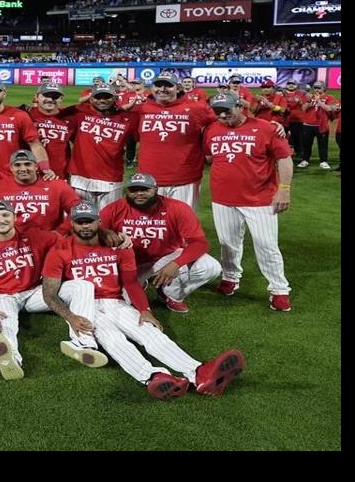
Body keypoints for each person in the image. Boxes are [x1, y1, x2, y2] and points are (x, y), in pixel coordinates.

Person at [43, 201, 245, 401]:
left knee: (150, 333)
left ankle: (199, 372)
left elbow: (131, 283)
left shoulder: (120, 246)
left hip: (116, 302)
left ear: (99, 222)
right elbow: (50, 294)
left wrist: (144, 309)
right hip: (87, 306)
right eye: (80, 222)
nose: (85, 226)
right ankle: (152, 377)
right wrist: (70, 317)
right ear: (72, 224)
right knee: (114, 340)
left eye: (89, 221)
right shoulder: (59, 250)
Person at [0, 200, 107, 380]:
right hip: (3, 296)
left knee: (83, 286)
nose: (1, 220)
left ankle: (84, 343)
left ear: (14, 217)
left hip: (35, 291)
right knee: (7, 326)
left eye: (5, 215)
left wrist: (105, 235)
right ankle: (10, 360)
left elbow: (69, 242)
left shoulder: (34, 235)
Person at [203, 93, 294, 312]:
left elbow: (284, 158)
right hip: (223, 198)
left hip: (259, 199)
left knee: (266, 245)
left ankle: (279, 289)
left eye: (227, 110)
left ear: (240, 106)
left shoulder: (266, 128)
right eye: (217, 111)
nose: (222, 115)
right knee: (228, 243)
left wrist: (284, 189)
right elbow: (209, 157)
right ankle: (230, 277)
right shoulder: (212, 129)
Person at [99, 172, 221, 313]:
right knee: (120, 302)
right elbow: (92, 237)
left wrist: (175, 264)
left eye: (145, 189)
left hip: (165, 257)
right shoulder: (114, 209)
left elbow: (199, 243)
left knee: (210, 267)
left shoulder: (177, 208)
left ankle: (170, 293)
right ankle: (140, 282)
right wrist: (104, 233)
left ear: (156, 189)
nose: (139, 194)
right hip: (129, 264)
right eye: (133, 190)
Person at [131, 72, 215, 207]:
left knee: (183, 219)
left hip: (185, 178)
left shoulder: (196, 108)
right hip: (148, 179)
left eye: (168, 85)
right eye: (158, 85)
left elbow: (218, 124)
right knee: (152, 219)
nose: (162, 89)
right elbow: (135, 135)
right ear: (152, 88)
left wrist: (208, 149)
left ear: (178, 88)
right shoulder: (142, 109)